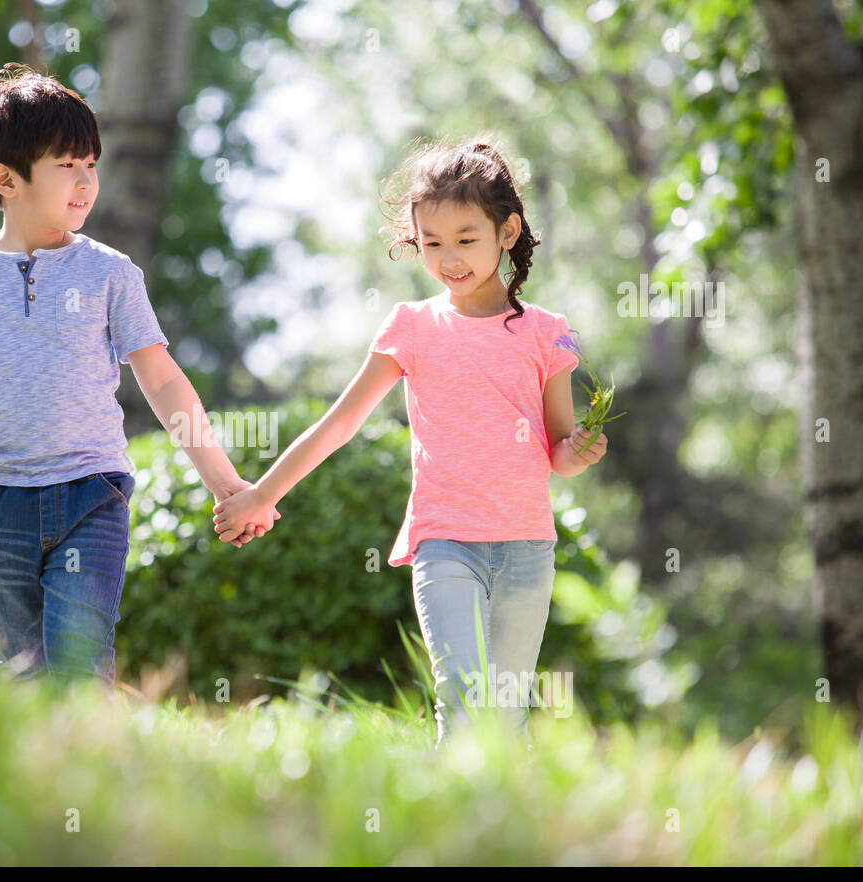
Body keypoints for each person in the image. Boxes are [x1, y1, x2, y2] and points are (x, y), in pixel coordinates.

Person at [0, 63, 274, 689]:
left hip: (93, 494)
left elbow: (164, 381)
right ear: (6, 179)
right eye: (66, 165)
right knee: (21, 673)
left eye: (91, 163)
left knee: (81, 663)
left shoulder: (112, 274)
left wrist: (225, 483)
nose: (86, 181)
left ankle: (96, 782)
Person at [213, 137, 608, 747]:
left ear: (508, 232)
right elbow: (340, 423)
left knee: (506, 717)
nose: (449, 258)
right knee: (463, 697)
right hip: (444, 541)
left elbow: (557, 452)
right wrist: (262, 494)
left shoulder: (547, 334)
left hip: (527, 548)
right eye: (432, 243)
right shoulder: (412, 328)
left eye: (466, 239)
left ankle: (505, 834)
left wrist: (577, 454)